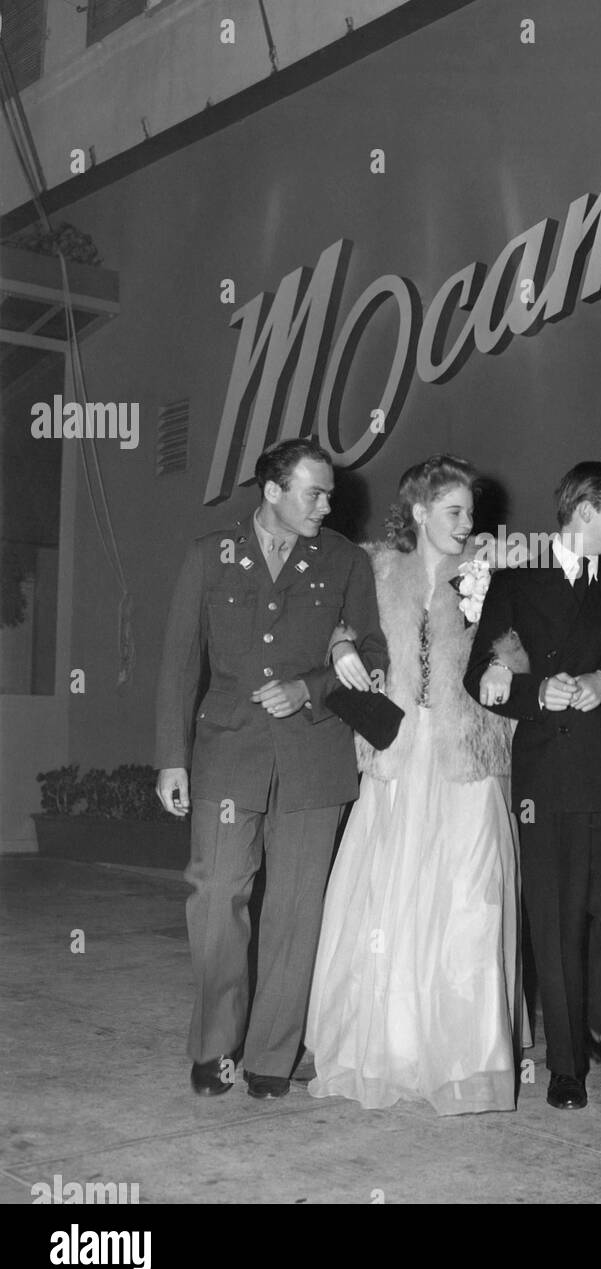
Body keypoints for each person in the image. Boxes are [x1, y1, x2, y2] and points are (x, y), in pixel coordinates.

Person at [155, 439, 387, 1100]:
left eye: (330, 493)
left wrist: (310, 690)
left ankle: (270, 1056)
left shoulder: (345, 559)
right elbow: (179, 664)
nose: (327, 504)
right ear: (273, 490)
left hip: (315, 756)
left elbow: (372, 655)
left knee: (295, 911)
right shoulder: (210, 556)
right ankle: (214, 1047)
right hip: (228, 753)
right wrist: (172, 759)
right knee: (215, 897)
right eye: (315, 492)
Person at [306, 455, 526, 1115]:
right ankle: (389, 1049)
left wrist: (502, 664)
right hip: (399, 750)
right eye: (454, 511)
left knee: (468, 900)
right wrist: (341, 644)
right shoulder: (375, 568)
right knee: (387, 897)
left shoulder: (490, 572)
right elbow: (330, 622)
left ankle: (462, 1058)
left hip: (463, 753)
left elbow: (519, 649)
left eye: (471, 513)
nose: (467, 524)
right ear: (421, 510)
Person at [466, 462, 601, 1110]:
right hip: (547, 776)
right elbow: (483, 674)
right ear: (584, 512)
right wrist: (538, 690)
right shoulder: (515, 583)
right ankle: (564, 1063)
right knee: (554, 921)